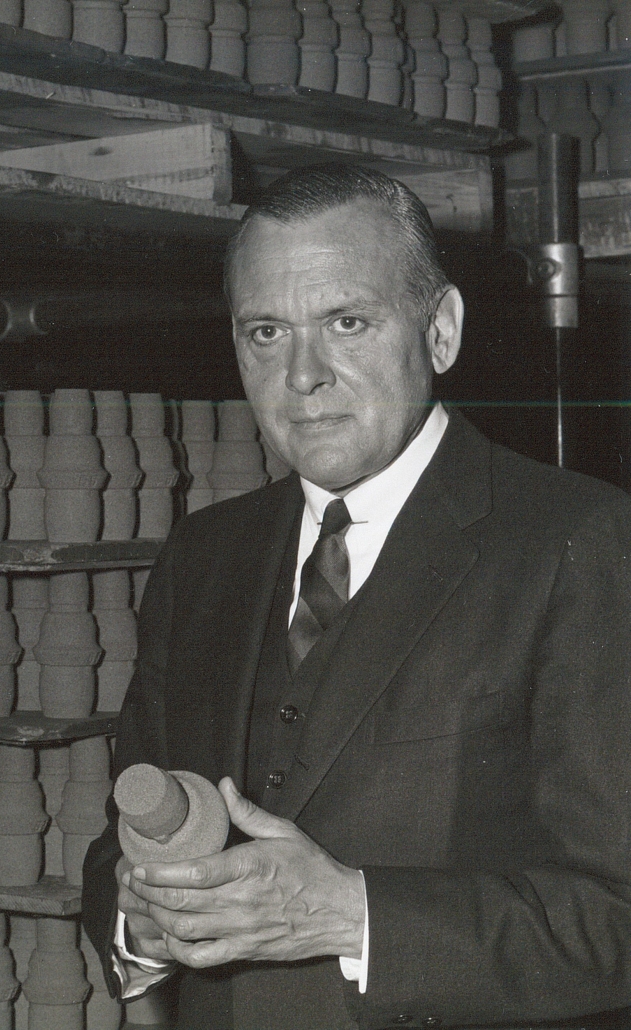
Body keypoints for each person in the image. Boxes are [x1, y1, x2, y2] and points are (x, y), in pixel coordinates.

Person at [82, 163, 631, 1030]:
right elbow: (121, 844)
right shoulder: (204, 557)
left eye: (346, 322)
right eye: (265, 331)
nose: (302, 375)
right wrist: (140, 921)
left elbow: (617, 915)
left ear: (440, 330)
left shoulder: (578, 545)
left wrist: (352, 915)